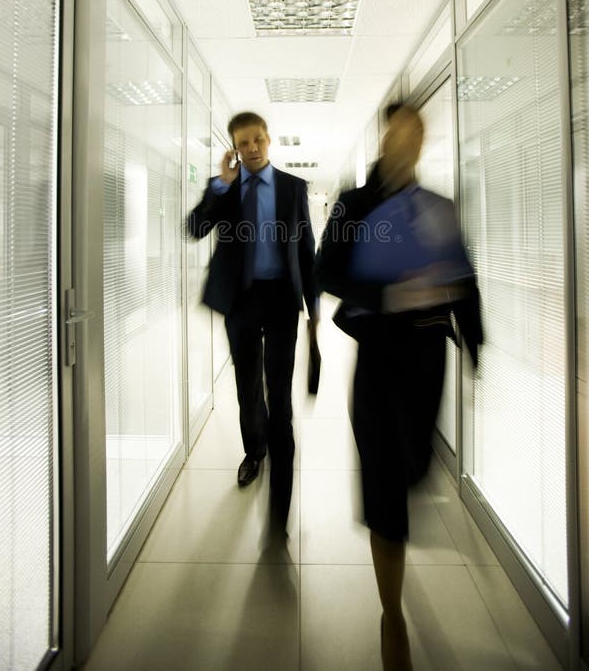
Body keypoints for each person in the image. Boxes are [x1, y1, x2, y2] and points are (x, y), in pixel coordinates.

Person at [314, 103, 483, 670]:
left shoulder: (438, 208)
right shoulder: (355, 203)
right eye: (396, 131)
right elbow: (325, 271)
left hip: (427, 361)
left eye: (416, 131)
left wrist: (474, 339)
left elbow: (464, 276)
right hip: (379, 360)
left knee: (412, 470)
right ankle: (393, 614)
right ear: (385, 139)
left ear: (422, 140)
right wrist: (386, 296)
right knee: (386, 485)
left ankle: (396, 522)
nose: (406, 139)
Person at [187, 111, 318, 540]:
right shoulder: (224, 190)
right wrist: (220, 185)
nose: (253, 148)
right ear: (235, 148)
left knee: (278, 396)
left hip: (281, 301)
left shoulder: (293, 188)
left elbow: (306, 248)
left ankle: (281, 500)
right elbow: (194, 228)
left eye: (258, 139)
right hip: (241, 304)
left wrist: (314, 306)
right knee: (247, 388)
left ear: (268, 138)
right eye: (244, 143)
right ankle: (253, 452)